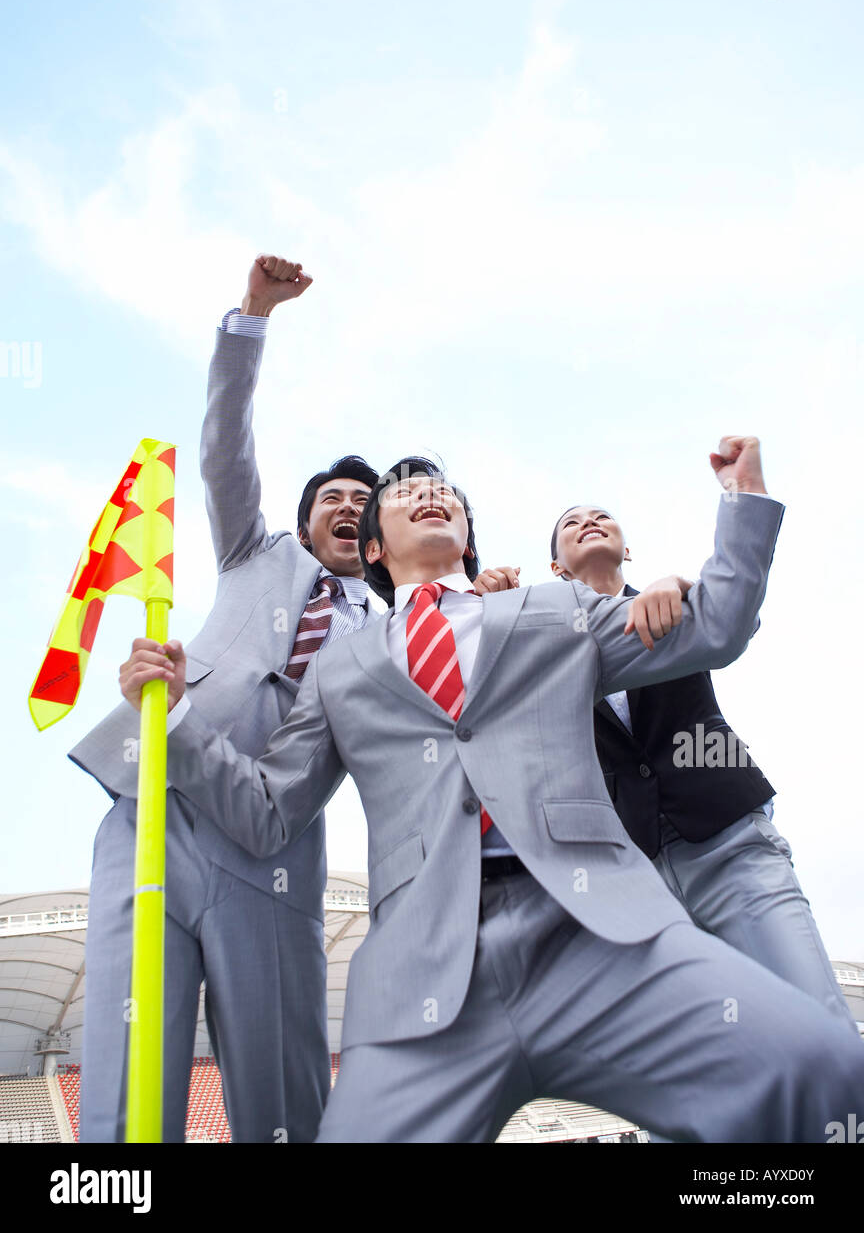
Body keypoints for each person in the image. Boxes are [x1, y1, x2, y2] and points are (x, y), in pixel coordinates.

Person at [119, 441, 864, 1142]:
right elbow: (268, 810)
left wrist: (743, 504)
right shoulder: (338, 669)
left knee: (826, 1071)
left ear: (468, 535)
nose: (430, 495)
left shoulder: (556, 611)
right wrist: (178, 717)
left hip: (600, 939)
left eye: (445, 491)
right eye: (407, 492)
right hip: (424, 986)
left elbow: (716, 629)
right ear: (373, 547)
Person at [69, 254, 379, 1142]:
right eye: (335, 497)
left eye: (368, 500)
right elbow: (223, 453)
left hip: (271, 862)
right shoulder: (257, 552)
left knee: (281, 1100)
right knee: (129, 1090)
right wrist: (253, 317)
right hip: (152, 810)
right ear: (306, 515)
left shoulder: (392, 638)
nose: (350, 506)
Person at [549, 500, 857, 1033]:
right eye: (571, 524)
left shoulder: (671, 605)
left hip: (728, 841)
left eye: (601, 516)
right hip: (636, 874)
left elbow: (734, 617)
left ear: (627, 550)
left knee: (813, 1021)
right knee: (689, 1060)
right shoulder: (546, 647)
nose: (588, 523)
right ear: (555, 569)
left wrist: (684, 586)